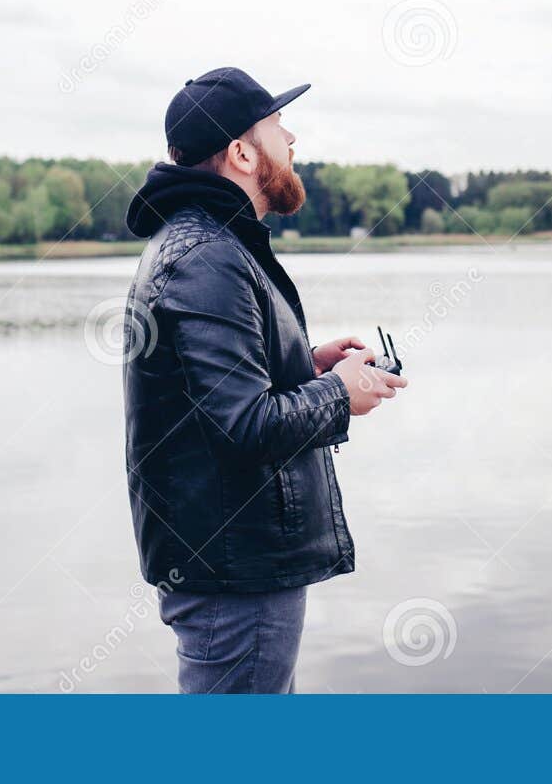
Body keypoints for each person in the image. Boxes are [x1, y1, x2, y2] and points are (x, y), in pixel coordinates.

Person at [122, 66, 406, 693]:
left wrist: (306, 366)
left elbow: (214, 396)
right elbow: (244, 426)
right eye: (278, 126)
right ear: (243, 152)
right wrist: (341, 394)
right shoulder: (206, 259)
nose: (293, 139)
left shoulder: (211, 245)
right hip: (233, 573)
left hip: (233, 565)